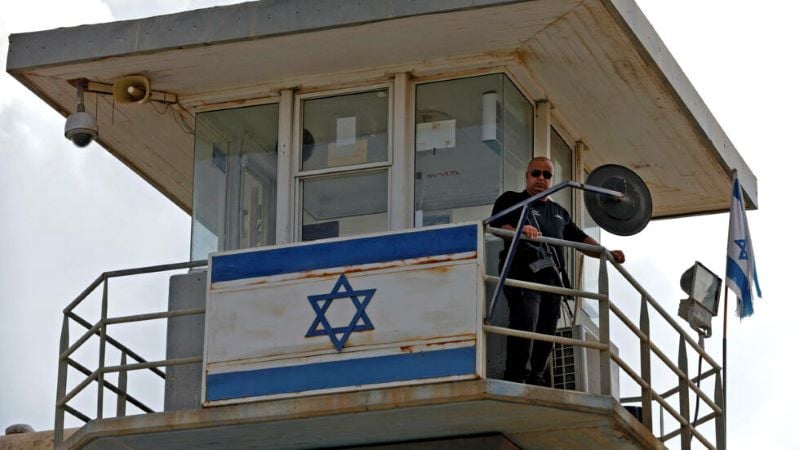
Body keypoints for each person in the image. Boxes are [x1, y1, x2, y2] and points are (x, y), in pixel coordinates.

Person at [490, 156, 625, 385]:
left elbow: (580, 238)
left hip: (552, 279)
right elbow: (498, 225)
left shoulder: (559, 212)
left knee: (547, 329)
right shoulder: (512, 200)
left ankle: (536, 377)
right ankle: (517, 374)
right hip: (522, 274)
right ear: (527, 176)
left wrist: (607, 253)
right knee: (526, 320)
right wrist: (521, 229)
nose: (541, 178)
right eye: (536, 173)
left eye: (547, 174)